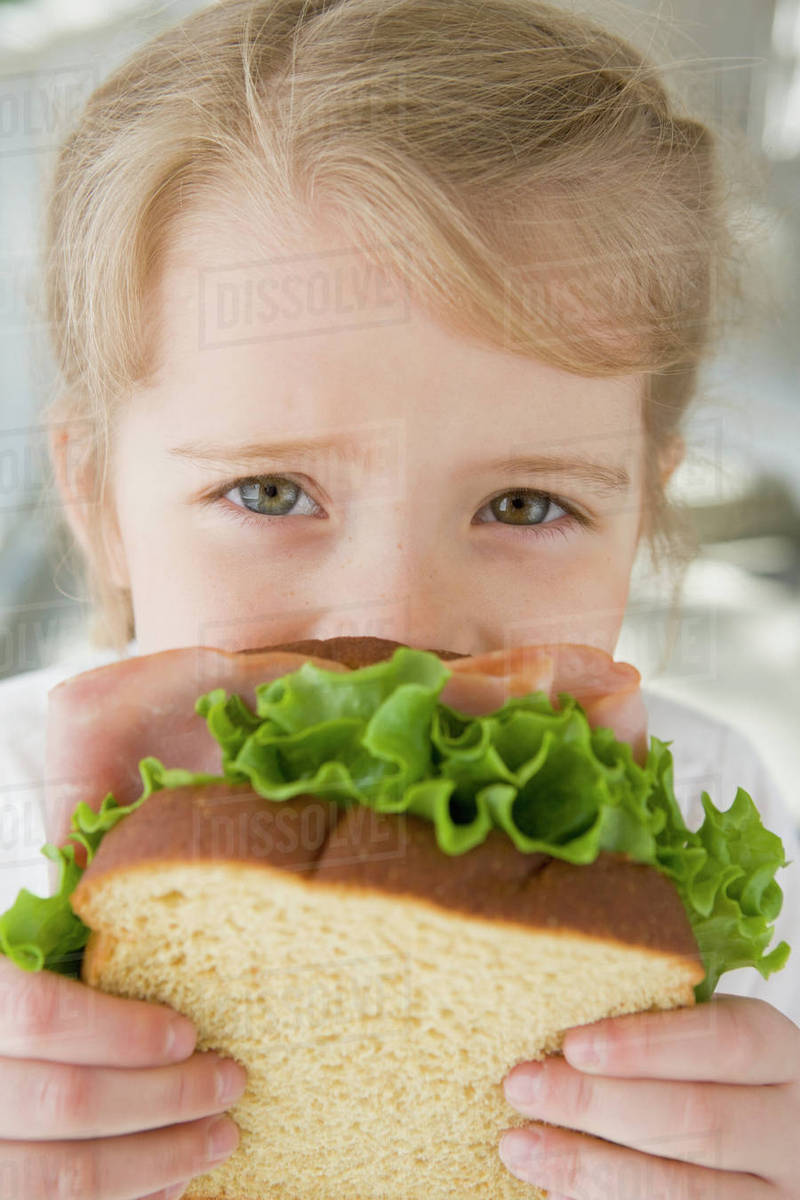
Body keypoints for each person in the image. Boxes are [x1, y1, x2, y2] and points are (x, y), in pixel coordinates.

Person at [0, 0, 796, 1196]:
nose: (402, 631)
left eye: (527, 506)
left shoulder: (710, 781)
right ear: (97, 496)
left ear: (642, 509)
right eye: (269, 490)